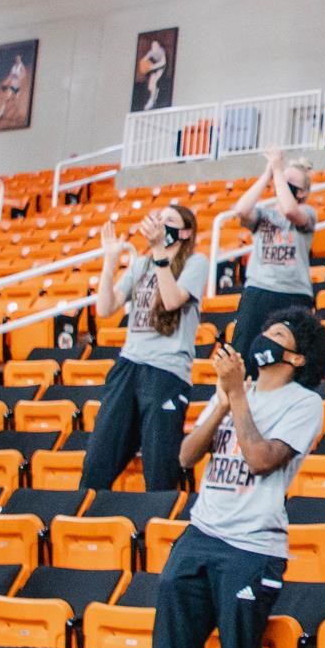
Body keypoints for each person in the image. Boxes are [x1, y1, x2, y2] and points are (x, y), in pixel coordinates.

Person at [158, 308, 325, 648]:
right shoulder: (233, 392)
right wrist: (223, 405)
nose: (266, 337)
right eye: (266, 331)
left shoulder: (305, 403)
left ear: (298, 357)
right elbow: (186, 457)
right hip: (200, 532)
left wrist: (236, 395)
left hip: (251, 545)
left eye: (279, 335)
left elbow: (261, 460)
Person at [84, 203, 209, 492]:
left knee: (159, 469)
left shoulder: (196, 262)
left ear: (185, 232)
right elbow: (105, 308)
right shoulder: (141, 263)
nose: (162, 223)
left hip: (166, 371)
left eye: (170, 220)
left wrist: (159, 252)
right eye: (160, 218)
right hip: (129, 365)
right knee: (96, 462)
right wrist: (109, 261)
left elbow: (172, 300)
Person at [222, 150, 317, 346]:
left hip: (293, 292)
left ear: (302, 192)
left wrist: (278, 171)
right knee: (244, 349)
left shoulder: (307, 212)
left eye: (289, 181)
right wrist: (268, 174)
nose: (281, 181)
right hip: (259, 289)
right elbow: (241, 210)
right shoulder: (263, 213)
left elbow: (290, 211)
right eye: (279, 178)